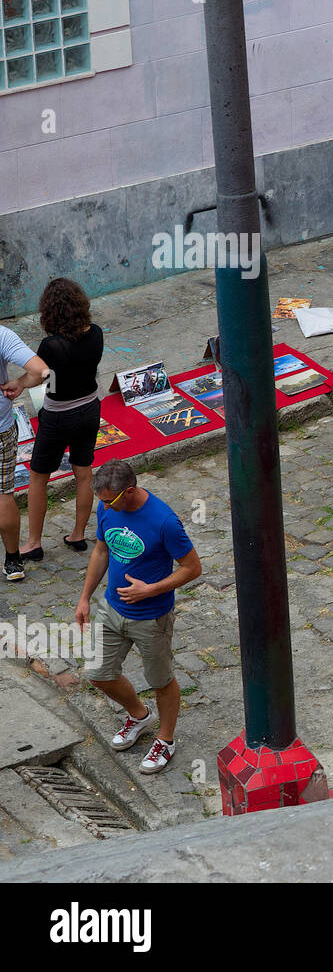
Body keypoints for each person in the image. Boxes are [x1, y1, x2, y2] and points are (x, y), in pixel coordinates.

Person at [75, 460, 201, 774]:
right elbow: (102, 551)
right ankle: (139, 715)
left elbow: (192, 568)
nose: (103, 507)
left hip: (151, 617)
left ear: (129, 491)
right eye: (102, 501)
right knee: (97, 672)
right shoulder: (108, 508)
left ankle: (166, 739)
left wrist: (151, 589)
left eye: (108, 501)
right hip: (112, 609)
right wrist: (84, 597)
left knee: (160, 681)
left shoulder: (164, 521)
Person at [19, 279, 104, 563]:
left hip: (58, 415)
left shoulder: (51, 345)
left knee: (38, 477)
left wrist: (17, 383)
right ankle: (78, 534)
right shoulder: (97, 334)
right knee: (84, 472)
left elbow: (38, 376)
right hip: (91, 408)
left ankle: (33, 542)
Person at [0, 325, 49, 582]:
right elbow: (42, 371)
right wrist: (19, 383)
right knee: (3, 496)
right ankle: (13, 561)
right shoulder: (2, 335)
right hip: (1, 428)